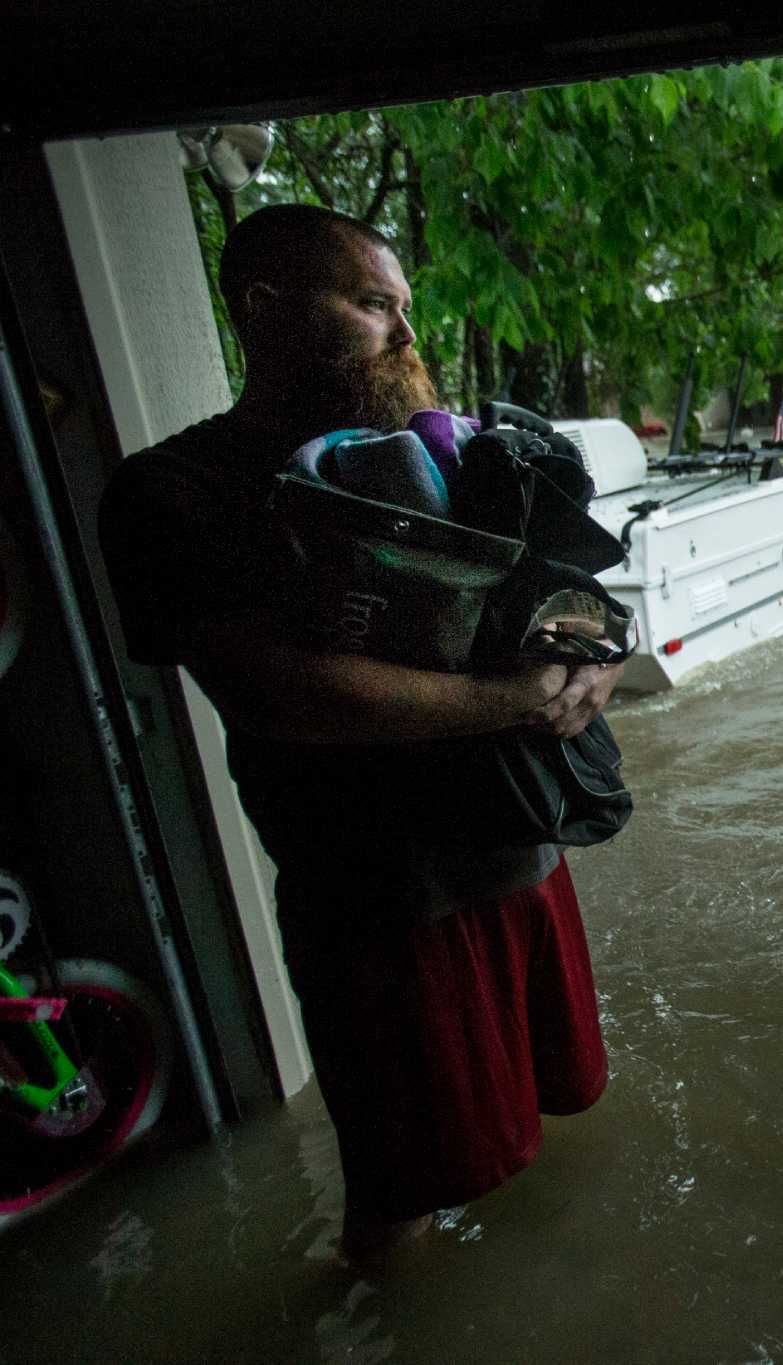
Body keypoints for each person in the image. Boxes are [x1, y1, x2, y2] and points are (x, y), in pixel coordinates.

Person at [99, 204, 624, 1262]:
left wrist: (591, 653)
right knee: (401, 1198)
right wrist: (520, 701)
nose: (406, 335)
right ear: (266, 311)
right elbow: (283, 696)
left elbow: (567, 594)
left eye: (406, 307)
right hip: (381, 902)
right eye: (374, 304)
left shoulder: (457, 457)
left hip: (520, 852)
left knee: (552, 1128)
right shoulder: (174, 491)